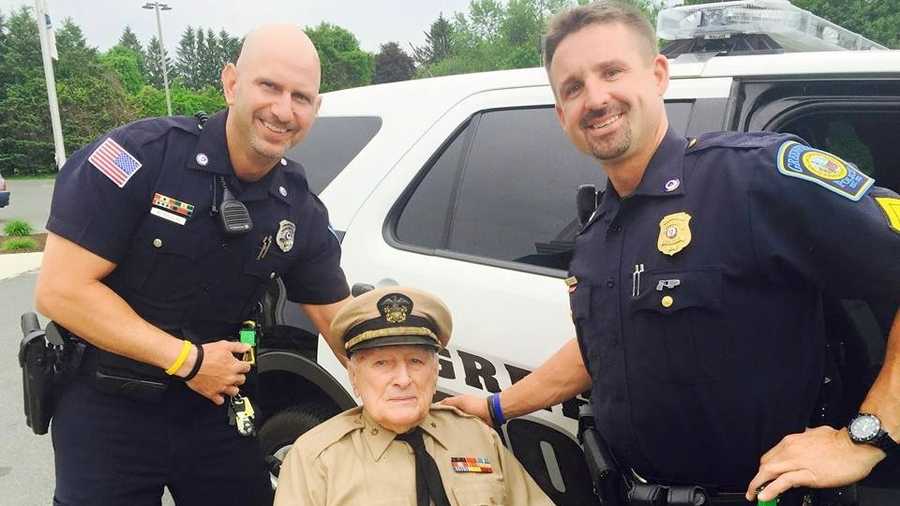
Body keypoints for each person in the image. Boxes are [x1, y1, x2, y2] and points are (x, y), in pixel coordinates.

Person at [443, 2, 900, 504]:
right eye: (572, 88)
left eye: (612, 71)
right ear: (561, 114)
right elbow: (606, 344)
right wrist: (496, 406)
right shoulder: (596, 236)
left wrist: (868, 436)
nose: (595, 98)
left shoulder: (752, 177)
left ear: (658, 74)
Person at [34, 24, 350, 505]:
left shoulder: (297, 206)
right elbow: (61, 290)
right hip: (107, 407)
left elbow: (339, 320)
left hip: (215, 406)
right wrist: (188, 361)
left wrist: (416, 391)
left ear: (315, 108)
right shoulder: (141, 157)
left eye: (301, 97)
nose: (284, 110)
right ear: (231, 83)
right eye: (269, 86)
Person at [273, 286, 553, 506]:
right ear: (355, 378)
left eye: (416, 362)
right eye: (382, 364)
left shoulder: (476, 436)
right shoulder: (315, 459)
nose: (403, 379)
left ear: (435, 373)